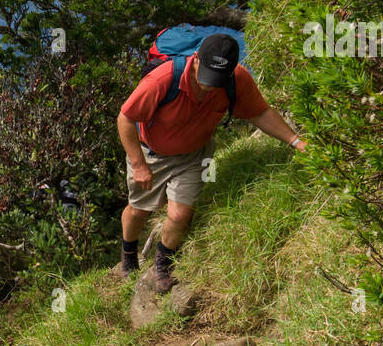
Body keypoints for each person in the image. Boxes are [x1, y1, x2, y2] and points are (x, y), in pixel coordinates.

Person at [117, 33, 306, 293]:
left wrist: (296, 142)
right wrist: (138, 164)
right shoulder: (163, 79)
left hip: (194, 155)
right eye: (205, 77)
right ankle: (128, 255)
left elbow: (259, 112)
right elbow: (125, 118)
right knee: (139, 210)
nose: (209, 86)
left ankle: (162, 264)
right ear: (195, 59)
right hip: (152, 154)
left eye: (217, 81)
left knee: (180, 214)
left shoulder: (236, 80)